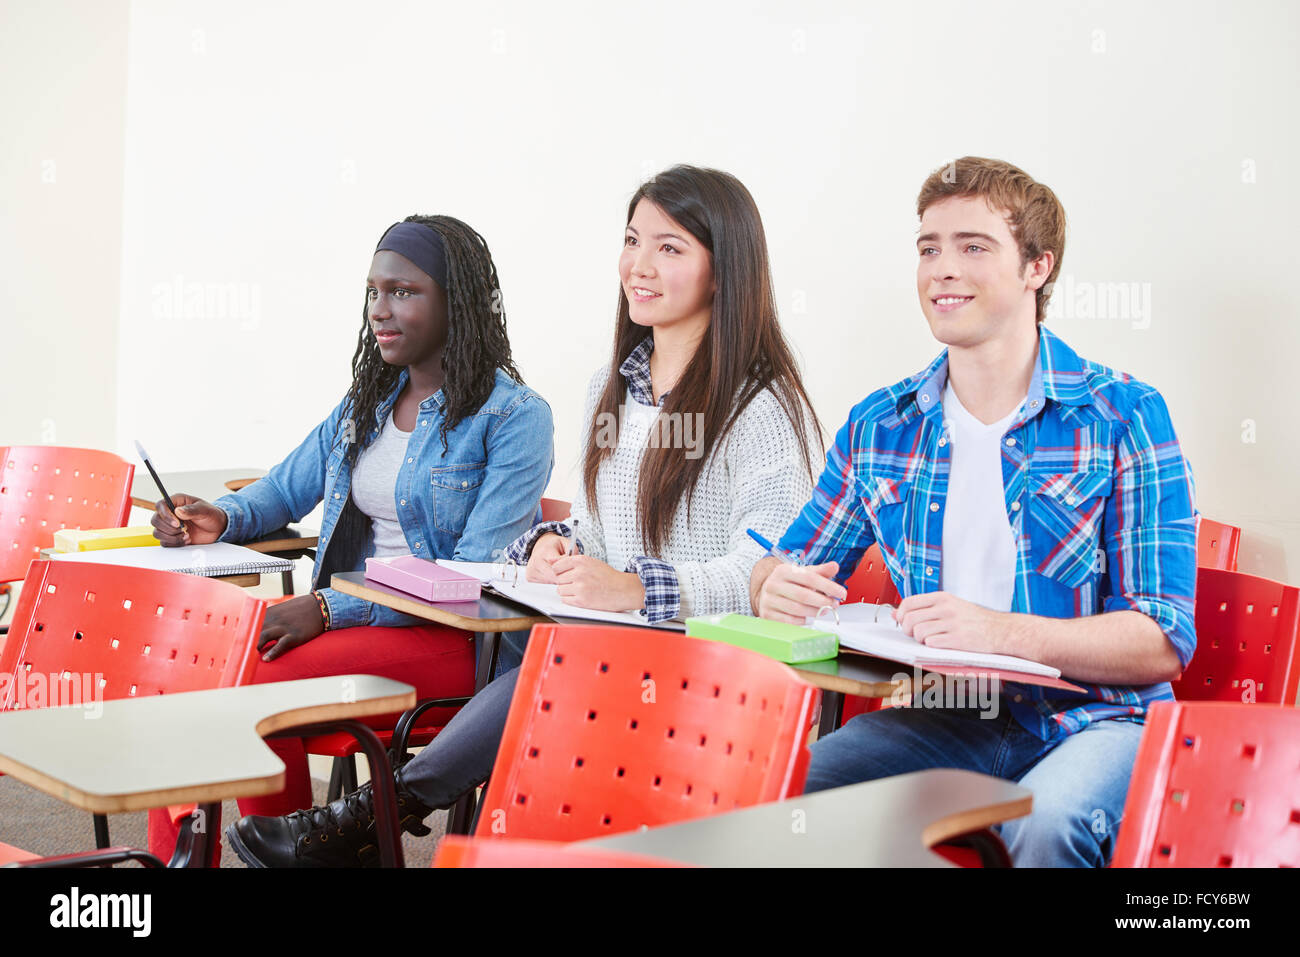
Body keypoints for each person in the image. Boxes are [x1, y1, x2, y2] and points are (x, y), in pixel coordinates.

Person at [226, 164, 824, 866]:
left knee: (551, 667)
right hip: (608, 646)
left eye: (670, 248)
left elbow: (768, 567)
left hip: (707, 661)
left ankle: (369, 816)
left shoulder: (761, 407)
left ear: (724, 273)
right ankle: (367, 820)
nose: (639, 265)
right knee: (555, 662)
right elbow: (598, 535)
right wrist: (550, 545)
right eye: (633, 240)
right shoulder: (614, 388)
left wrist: (642, 589)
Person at [752, 156, 1197, 867]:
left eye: (973, 246)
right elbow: (790, 561)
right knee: (785, 792)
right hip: (948, 718)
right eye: (928, 248)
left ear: (1037, 267)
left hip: (1099, 720)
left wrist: (1000, 632)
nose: (942, 269)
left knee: (1047, 821)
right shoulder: (881, 425)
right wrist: (769, 581)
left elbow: (1162, 639)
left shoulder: (1125, 414)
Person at [148, 215, 554, 862]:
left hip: (454, 641)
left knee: (254, 676)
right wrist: (217, 517)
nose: (380, 310)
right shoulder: (369, 399)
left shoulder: (514, 418)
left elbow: (471, 574)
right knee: (193, 660)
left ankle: (292, 852)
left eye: (403, 291)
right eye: (373, 291)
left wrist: (333, 606)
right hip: (357, 624)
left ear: (459, 302)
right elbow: (283, 488)